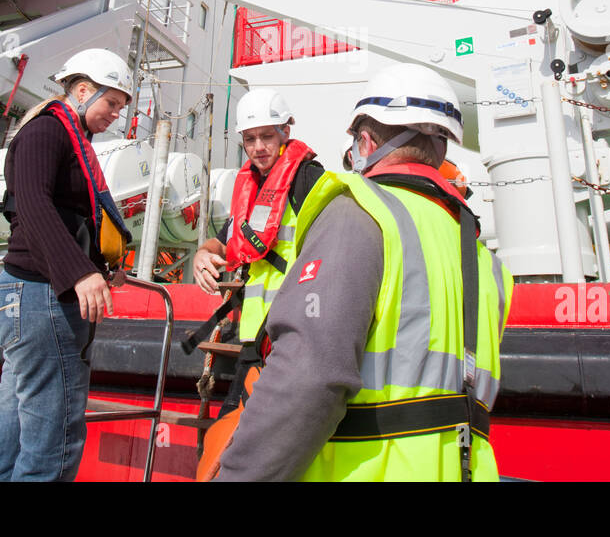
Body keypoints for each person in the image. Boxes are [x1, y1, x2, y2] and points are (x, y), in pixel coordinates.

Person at [212, 64, 511, 482]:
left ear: (366, 142)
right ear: (441, 147)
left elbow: (310, 377)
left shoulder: (360, 212)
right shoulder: (482, 258)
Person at [0, 48, 134, 482]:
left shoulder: (63, 137)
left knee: (8, 446)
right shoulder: (47, 132)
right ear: (83, 91)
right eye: (111, 103)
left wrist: (98, 266)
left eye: (119, 107)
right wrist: (79, 273)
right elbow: (34, 204)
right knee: (51, 451)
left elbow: (64, 217)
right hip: (42, 299)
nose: (115, 114)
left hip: (30, 297)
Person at [187, 89, 324, 398]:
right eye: (250, 139)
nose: (259, 148)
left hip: (295, 333)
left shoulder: (309, 179)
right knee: (237, 424)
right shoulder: (248, 187)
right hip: (254, 335)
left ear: (285, 132)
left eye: (267, 137)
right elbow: (222, 242)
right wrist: (202, 254)